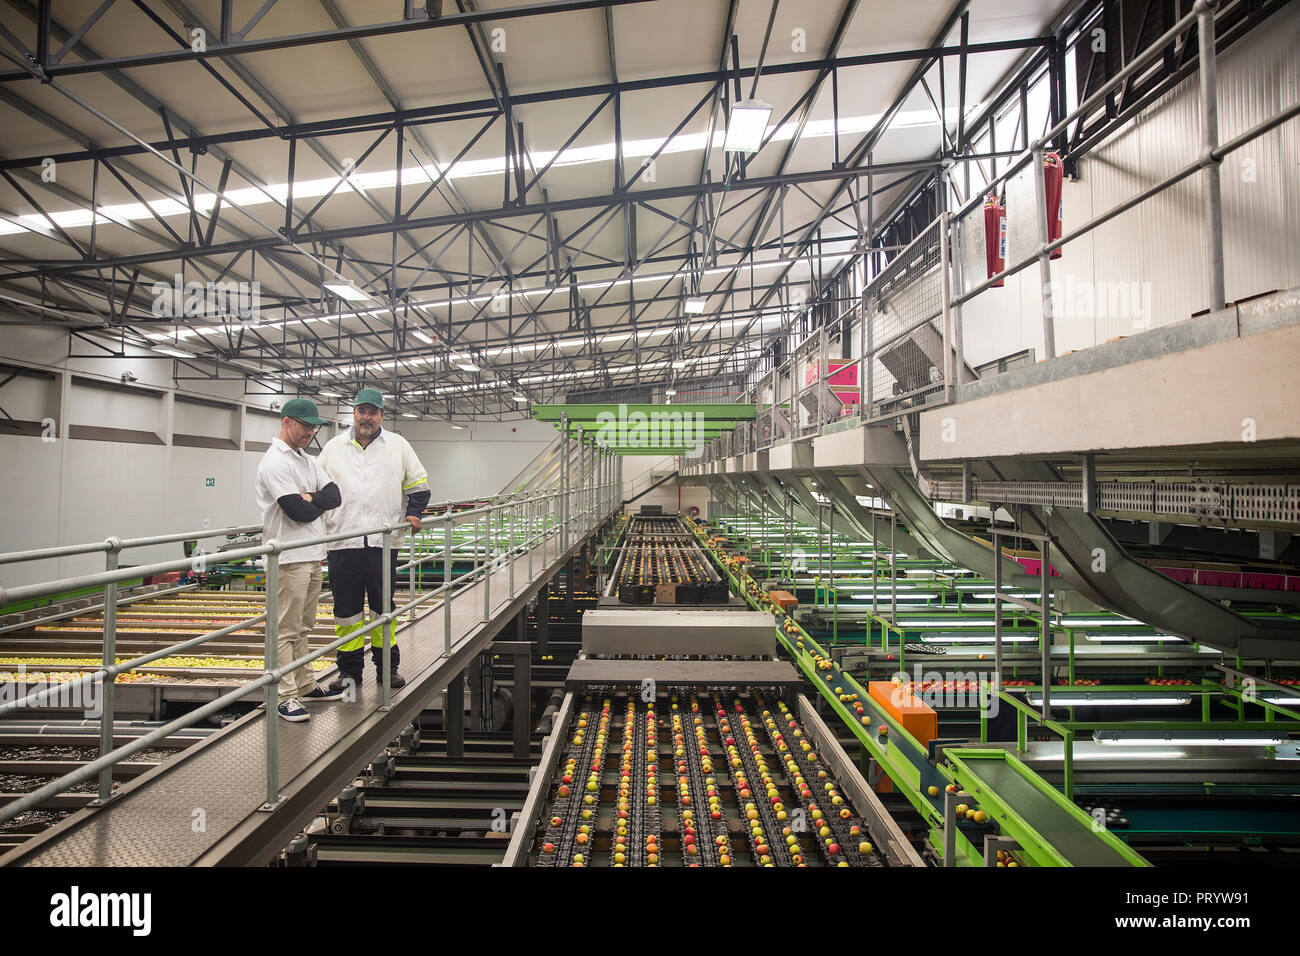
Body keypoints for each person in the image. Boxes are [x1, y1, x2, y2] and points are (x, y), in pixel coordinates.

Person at [320, 387, 431, 693]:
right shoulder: (333, 448)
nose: (366, 417)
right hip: (343, 541)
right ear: (353, 413)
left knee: (383, 608)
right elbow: (317, 491)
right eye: (361, 411)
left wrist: (413, 513)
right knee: (346, 612)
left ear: (382, 415)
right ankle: (350, 675)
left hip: (383, 543)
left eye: (372, 412)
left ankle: (387, 669)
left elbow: (419, 487)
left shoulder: (398, 446)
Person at [254, 398, 346, 722]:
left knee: (304, 626)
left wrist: (313, 499)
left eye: (313, 427)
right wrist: (313, 500)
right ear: (286, 421)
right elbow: (298, 510)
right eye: (305, 425)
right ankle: (285, 695)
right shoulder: (274, 463)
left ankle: (306, 685)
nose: (310, 432)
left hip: (312, 553)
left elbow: (335, 495)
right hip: (289, 556)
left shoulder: (307, 460)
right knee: (285, 629)